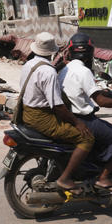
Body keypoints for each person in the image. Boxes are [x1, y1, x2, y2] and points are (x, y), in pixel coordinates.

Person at [58, 33, 112, 194]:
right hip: (84, 120)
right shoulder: (84, 71)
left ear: (71, 52)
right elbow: (101, 102)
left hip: (69, 117)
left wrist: (103, 92)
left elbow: (84, 91)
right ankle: (104, 177)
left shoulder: (64, 69)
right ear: (89, 52)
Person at [18, 32, 95, 192]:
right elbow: (57, 106)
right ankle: (65, 178)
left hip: (27, 113)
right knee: (86, 138)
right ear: (52, 51)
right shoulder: (49, 72)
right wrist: (77, 122)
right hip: (42, 118)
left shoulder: (29, 64)